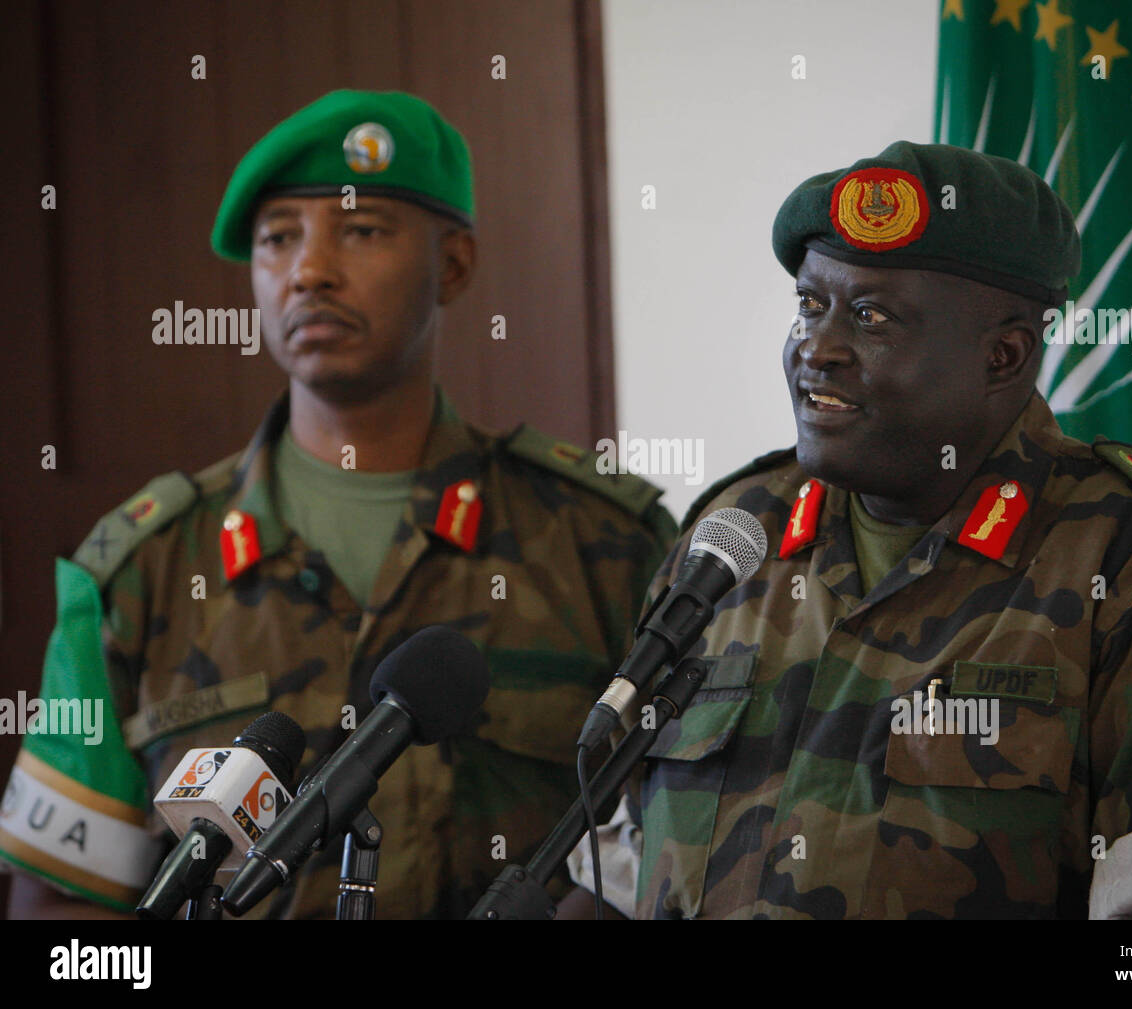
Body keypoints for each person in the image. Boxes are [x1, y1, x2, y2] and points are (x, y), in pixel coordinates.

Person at [562, 141, 1132, 920]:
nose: (818, 348)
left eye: (872, 316)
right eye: (811, 306)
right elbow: (615, 877)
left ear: (1004, 355)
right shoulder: (734, 537)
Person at [0, 90, 675, 919]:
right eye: (278, 238)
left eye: (361, 231)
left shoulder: (605, 542)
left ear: (454, 264)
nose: (309, 270)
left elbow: (678, 851)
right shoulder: (141, 567)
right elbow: (60, 909)